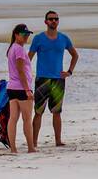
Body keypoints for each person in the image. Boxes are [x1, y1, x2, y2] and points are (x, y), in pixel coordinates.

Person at [28, 10, 79, 147]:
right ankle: (33, 142)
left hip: (58, 80)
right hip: (42, 79)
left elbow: (75, 55)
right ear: (46, 22)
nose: (53, 21)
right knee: (38, 112)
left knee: (57, 112)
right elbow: (28, 59)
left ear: (58, 21)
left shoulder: (63, 38)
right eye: (51, 19)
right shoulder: (38, 38)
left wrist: (69, 71)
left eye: (56, 19)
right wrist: (27, 76)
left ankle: (58, 141)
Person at [4, 24, 35, 153]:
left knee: (13, 119)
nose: (26, 36)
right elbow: (21, 71)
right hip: (21, 88)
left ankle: (13, 149)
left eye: (27, 34)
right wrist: (27, 90)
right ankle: (30, 148)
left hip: (12, 88)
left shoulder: (11, 48)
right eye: (24, 34)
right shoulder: (19, 49)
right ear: (16, 35)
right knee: (27, 120)